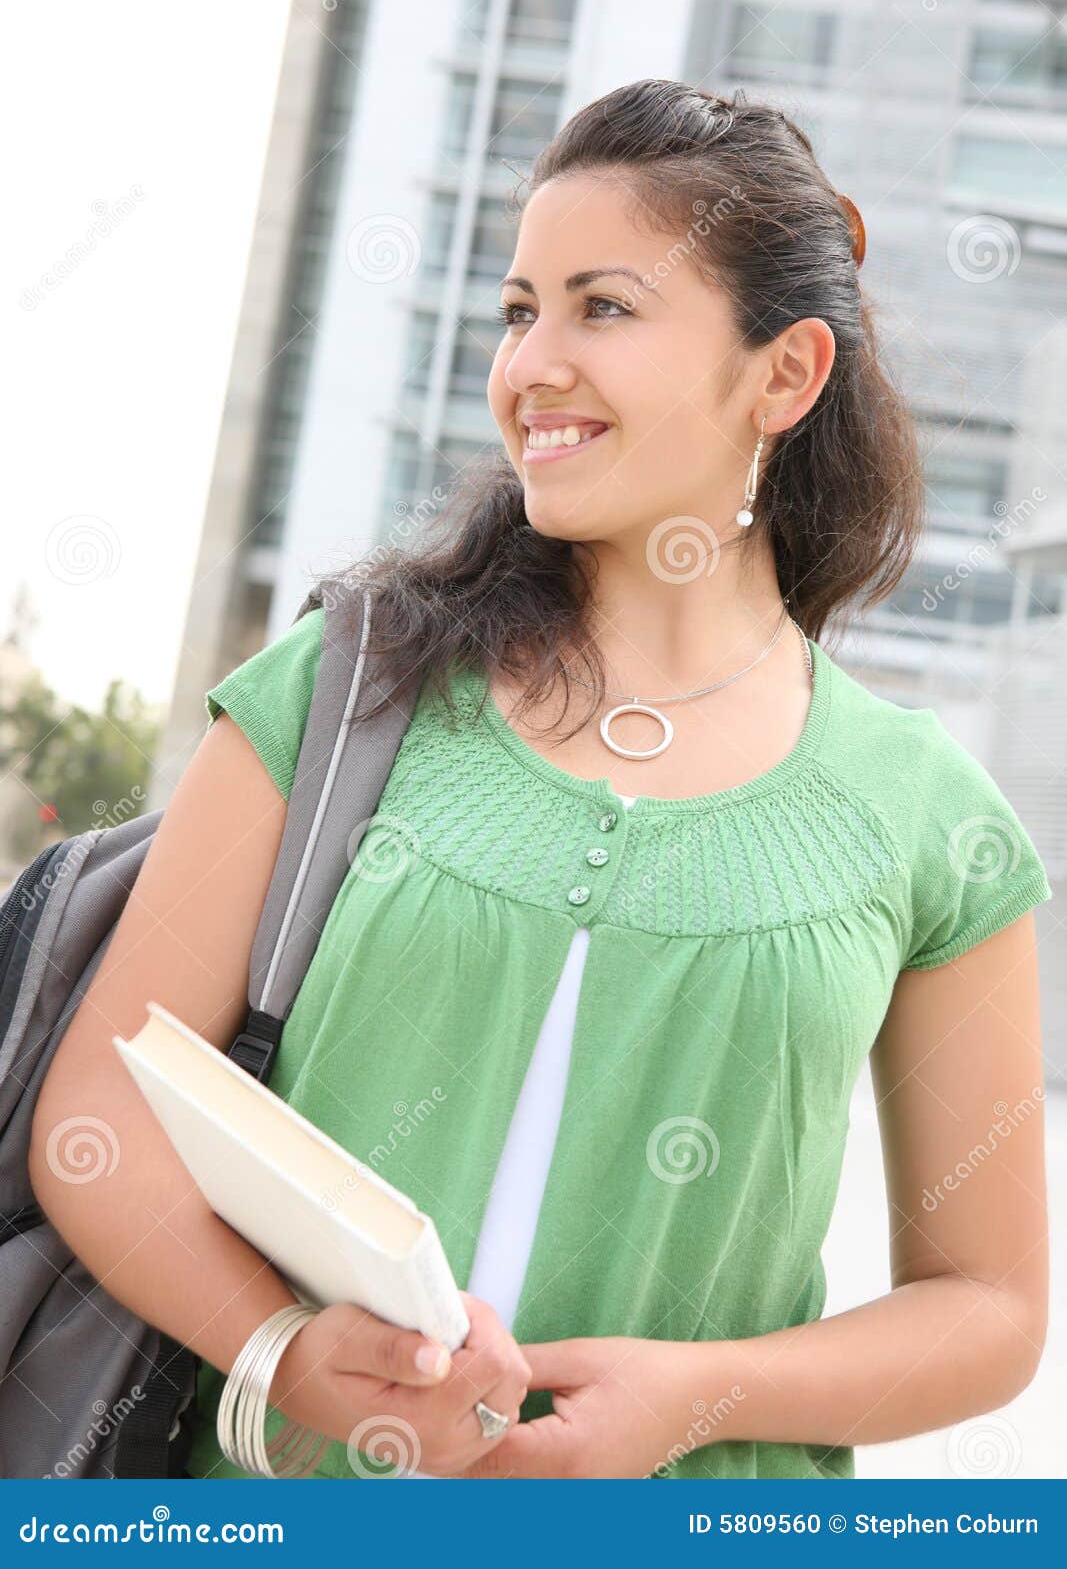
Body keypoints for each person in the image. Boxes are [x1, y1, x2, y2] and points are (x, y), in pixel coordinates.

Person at [31, 81, 1052, 1481]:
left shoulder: (929, 818)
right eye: (520, 312)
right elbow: (99, 1113)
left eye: (603, 309)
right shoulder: (347, 689)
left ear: (785, 374)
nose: (532, 366)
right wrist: (280, 1349)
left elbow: (990, 1305)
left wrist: (697, 1395)